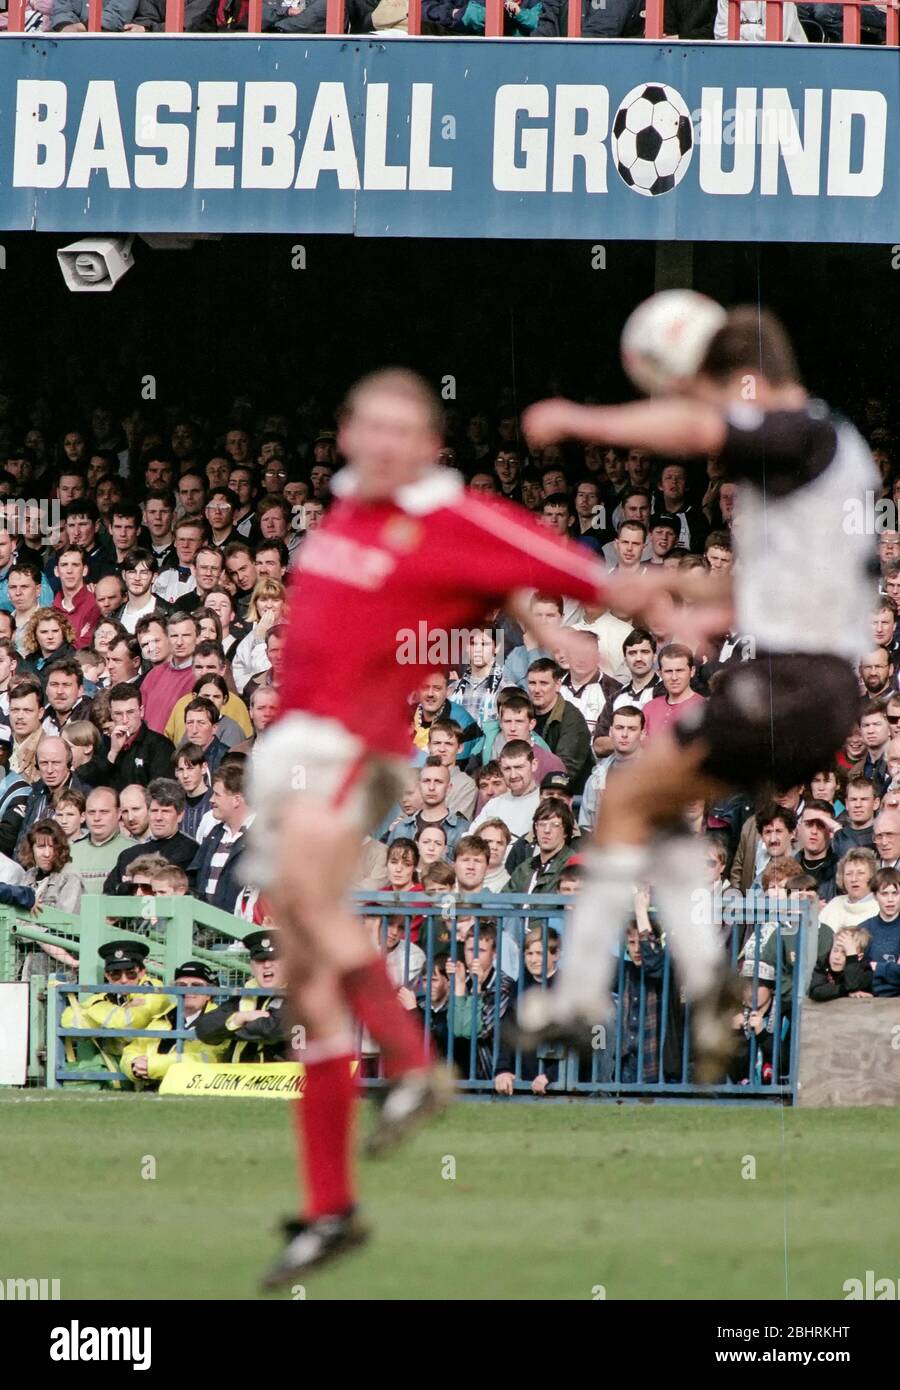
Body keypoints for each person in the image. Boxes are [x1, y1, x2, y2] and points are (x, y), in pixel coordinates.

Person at [249, 367, 647, 1284]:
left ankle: (417, 1061)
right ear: (348, 433)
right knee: (306, 974)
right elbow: (486, 587)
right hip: (294, 744)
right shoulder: (349, 509)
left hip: (353, 742)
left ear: (430, 444)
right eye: (369, 423)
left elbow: (560, 571)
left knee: (308, 897)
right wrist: (526, 618)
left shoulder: (451, 513)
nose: (384, 441)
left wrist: (583, 627)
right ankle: (329, 1209)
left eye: (404, 428)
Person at [516, 299, 877, 1079]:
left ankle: (585, 997)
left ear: (746, 382)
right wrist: (670, 587)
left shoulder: (810, 434)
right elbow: (765, 581)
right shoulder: (809, 473)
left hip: (797, 684)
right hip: (809, 690)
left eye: (714, 390)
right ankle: (703, 984)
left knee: (626, 797)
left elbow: (703, 431)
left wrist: (582, 417)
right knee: (641, 798)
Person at [122, 960, 228, 1088]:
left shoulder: (219, 1021)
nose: (188, 990)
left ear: (210, 993)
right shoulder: (161, 1019)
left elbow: (209, 1059)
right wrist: (134, 1064)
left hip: (193, 1092)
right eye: (181, 985)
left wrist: (151, 1066)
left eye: (196, 985)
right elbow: (132, 1050)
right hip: (150, 1090)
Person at [194, 930, 291, 1060]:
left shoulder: (303, 994)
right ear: (252, 966)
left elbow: (273, 1031)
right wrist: (240, 1018)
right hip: (238, 1079)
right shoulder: (245, 996)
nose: (267, 965)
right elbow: (204, 1028)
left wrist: (229, 1029)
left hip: (288, 1079)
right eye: (260, 960)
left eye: (274, 959)